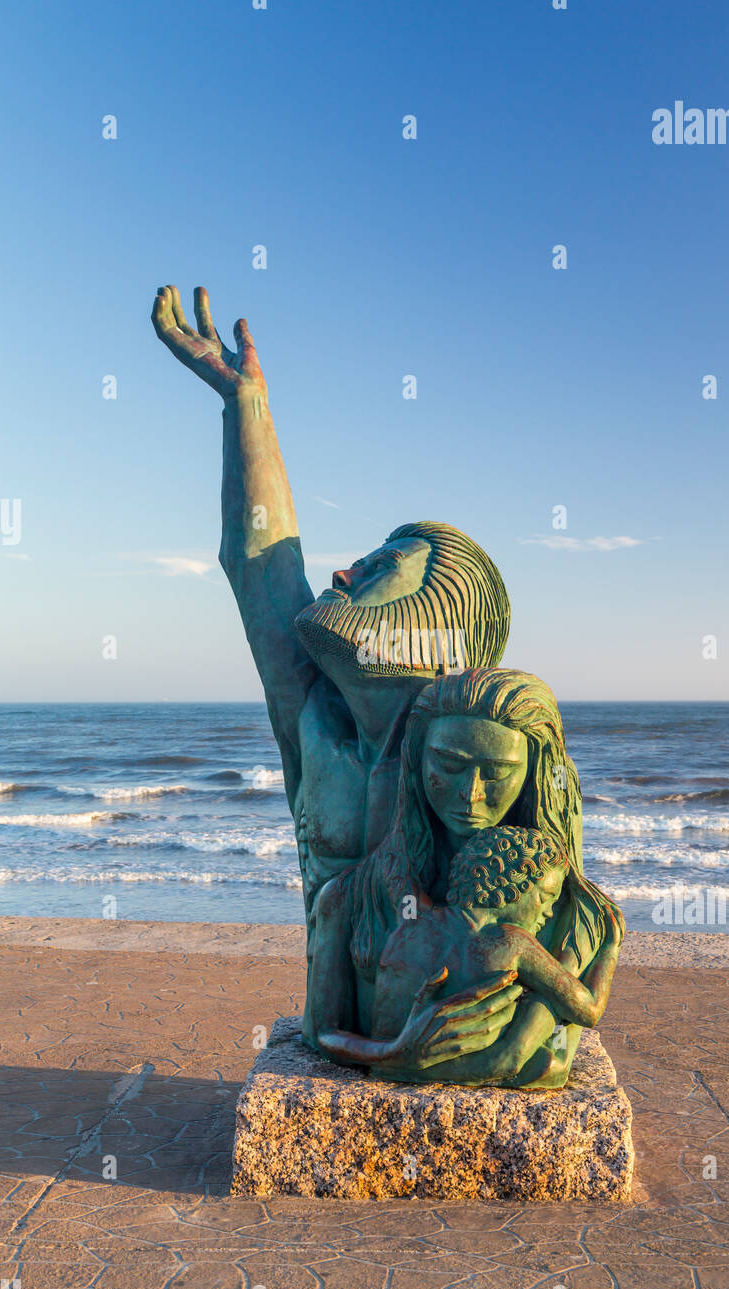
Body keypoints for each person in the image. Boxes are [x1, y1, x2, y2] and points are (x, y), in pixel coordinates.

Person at [150, 286, 511, 945]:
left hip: (423, 1024)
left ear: (437, 608)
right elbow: (260, 560)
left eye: (380, 568)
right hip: (338, 1015)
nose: (344, 573)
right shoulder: (314, 714)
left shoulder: (463, 745)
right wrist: (245, 404)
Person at [304, 669, 622, 1086]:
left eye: (496, 772)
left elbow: (553, 1059)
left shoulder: (570, 907)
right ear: (416, 760)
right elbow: (322, 1032)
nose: (470, 794)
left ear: (535, 771)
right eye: (449, 764)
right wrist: (398, 1051)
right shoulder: (346, 900)